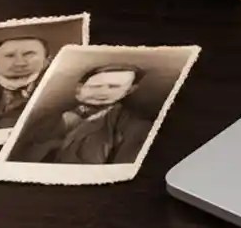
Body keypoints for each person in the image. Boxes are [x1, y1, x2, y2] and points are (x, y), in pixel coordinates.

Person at [9, 64, 153, 164]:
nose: (103, 92)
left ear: (129, 90)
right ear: (79, 88)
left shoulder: (135, 127)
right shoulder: (47, 120)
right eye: (94, 86)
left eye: (114, 87)